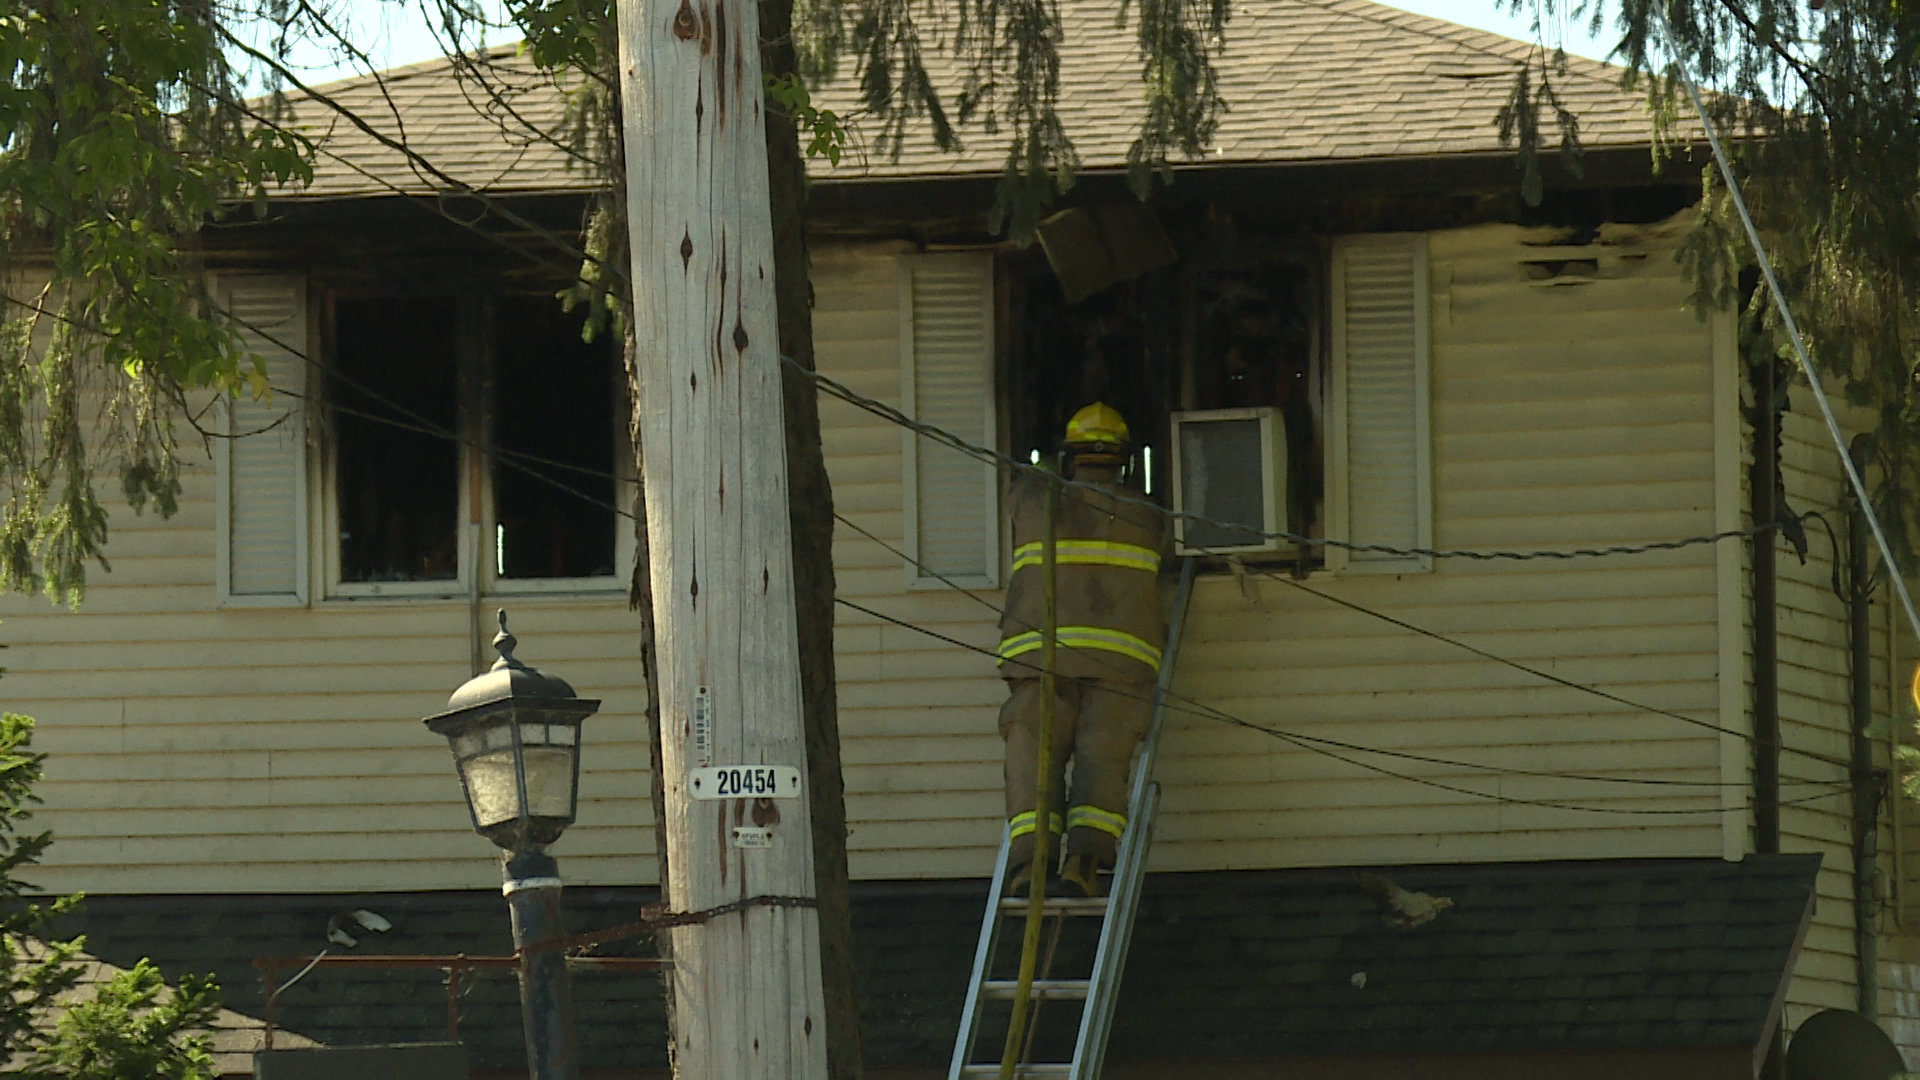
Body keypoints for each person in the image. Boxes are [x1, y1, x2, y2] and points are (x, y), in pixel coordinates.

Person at [997, 402, 1168, 897]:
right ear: (1126, 461)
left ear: (1067, 456)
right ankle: (1086, 864)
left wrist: (1044, 470)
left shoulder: (1033, 500)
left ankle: (1031, 866)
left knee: (1033, 753)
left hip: (1041, 658)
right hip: (1121, 664)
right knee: (1102, 758)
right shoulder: (1149, 514)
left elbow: (1021, 486)